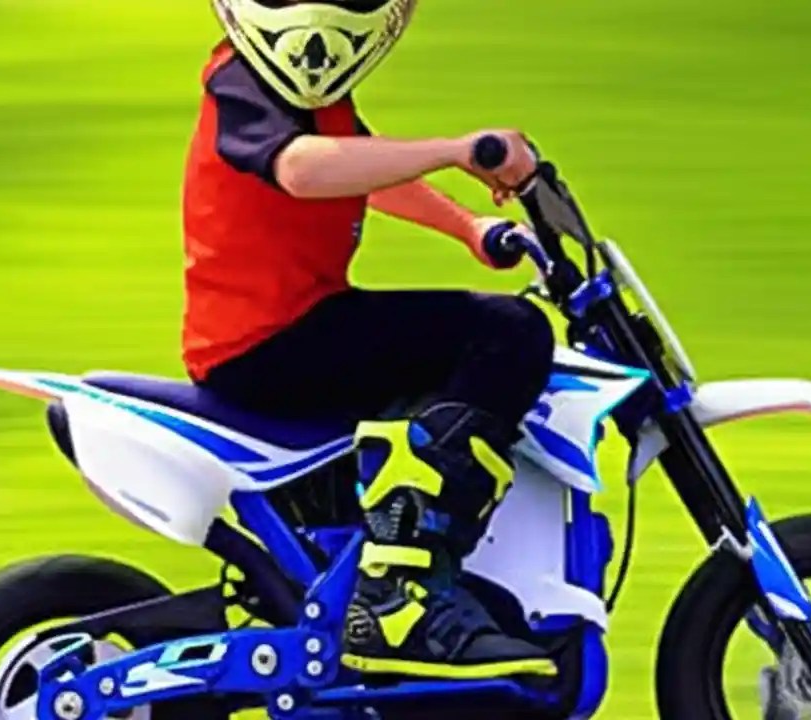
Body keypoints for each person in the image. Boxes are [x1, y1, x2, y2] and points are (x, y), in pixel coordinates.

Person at [191, 0, 556, 679]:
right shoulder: (244, 79)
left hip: (300, 324)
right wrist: (454, 150)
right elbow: (303, 168)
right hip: (267, 342)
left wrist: (470, 228)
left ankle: (400, 570)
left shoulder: (313, 95)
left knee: (479, 344)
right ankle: (397, 599)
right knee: (507, 335)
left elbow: (360, 166)